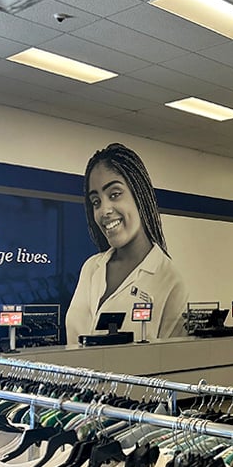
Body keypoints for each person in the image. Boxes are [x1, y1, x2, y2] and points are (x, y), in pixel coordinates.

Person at [65, 143, 188, 344]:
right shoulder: (91, 268)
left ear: (139, 194)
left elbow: (171, 362)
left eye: (114, 194)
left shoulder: (170, 281)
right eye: (96, 202)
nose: (104, 210)